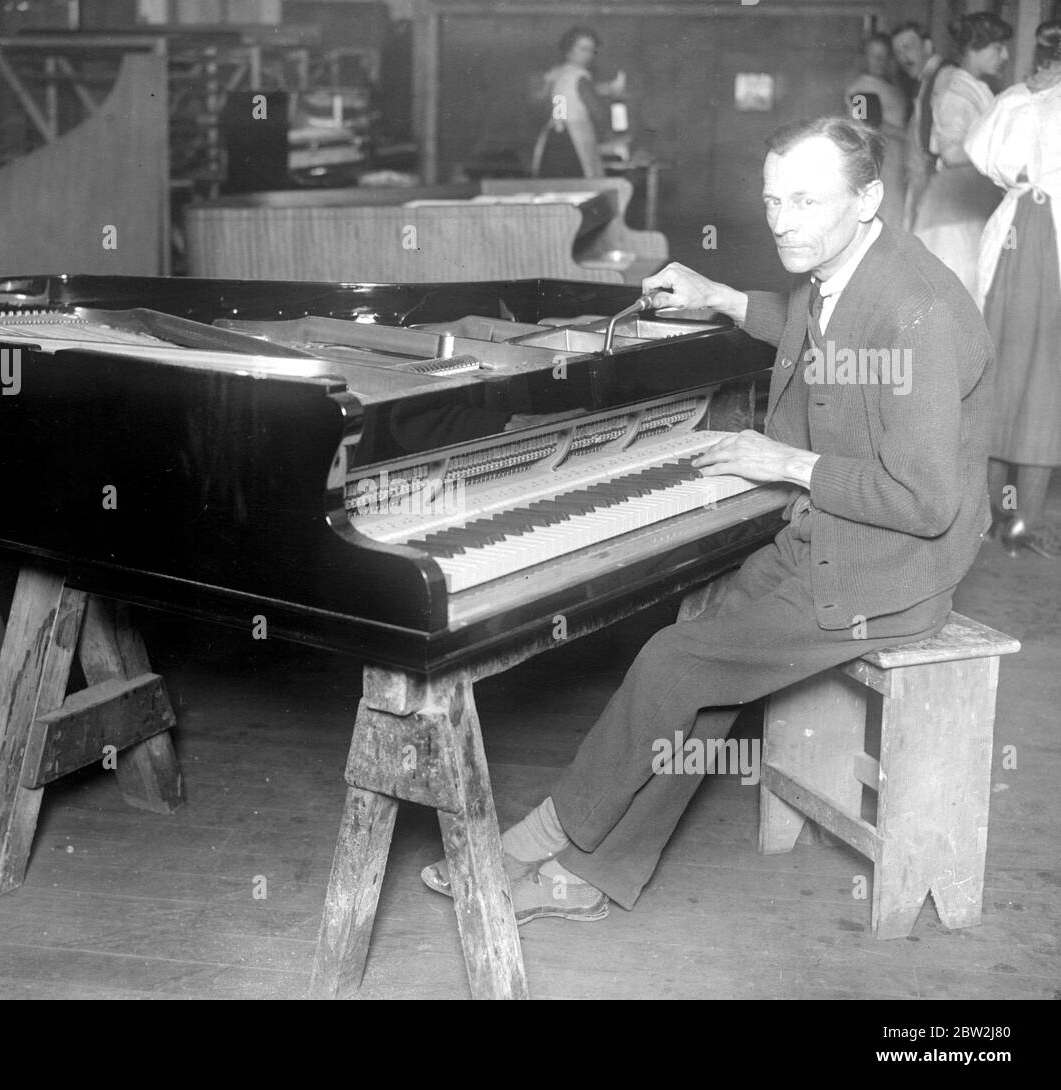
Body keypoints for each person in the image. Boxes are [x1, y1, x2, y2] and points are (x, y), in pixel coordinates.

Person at [421, 116, 994, 922]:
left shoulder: (916, 310)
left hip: (887, 573)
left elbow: (927, 503)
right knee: (701, 626)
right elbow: (807, 326)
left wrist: (785, 462)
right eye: (771, 199)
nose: (784, 219)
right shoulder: (846, 270)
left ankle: (537, 841)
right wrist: (721, 297)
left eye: (806, 199)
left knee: (674, 662)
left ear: (868, 198)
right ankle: (599, 873)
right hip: (826, 537)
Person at [966, 20, 1061, 558]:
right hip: (1018, 239)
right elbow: (984, 151)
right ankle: (991, 511)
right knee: (1004, 373)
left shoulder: (1020, 98)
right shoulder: (1014, 99)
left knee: (1044, 381)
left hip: (1047, 241)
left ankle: (1025, 521)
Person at [911, 12, 1013, 297]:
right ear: (975, 47)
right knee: (960, 287)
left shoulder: (975, 86)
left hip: (973, 197)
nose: (1004, 55)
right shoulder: (955, 89)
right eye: (998, 47)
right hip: (956, 202)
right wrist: (1000, 149)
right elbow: (952, 152)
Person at [530, 26, 627, 178]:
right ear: (569, 50)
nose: (588, 55)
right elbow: (596, 111)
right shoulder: (580, 76)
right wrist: (610, 135)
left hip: (555, 138)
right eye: (583, 49)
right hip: (575, 140)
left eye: (591, 50)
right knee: (583, 182)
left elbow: (560, 108)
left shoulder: (559, 74)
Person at [844, 33, 908, 224]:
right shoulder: (861, 89)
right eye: (874, 55)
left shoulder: (889, 85)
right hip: (882, 160)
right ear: (864, 58)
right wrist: (910, 136)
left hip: (897, 158)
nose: (880, 61)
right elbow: (869, 125)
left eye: (884, 56)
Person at [891, 22, 947, 229]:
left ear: (927, 46)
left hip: (936, 185)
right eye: (897, 51)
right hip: (922, 182)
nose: (903, 57)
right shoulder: (925, 80)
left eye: (908, 47)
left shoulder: (944, 76)